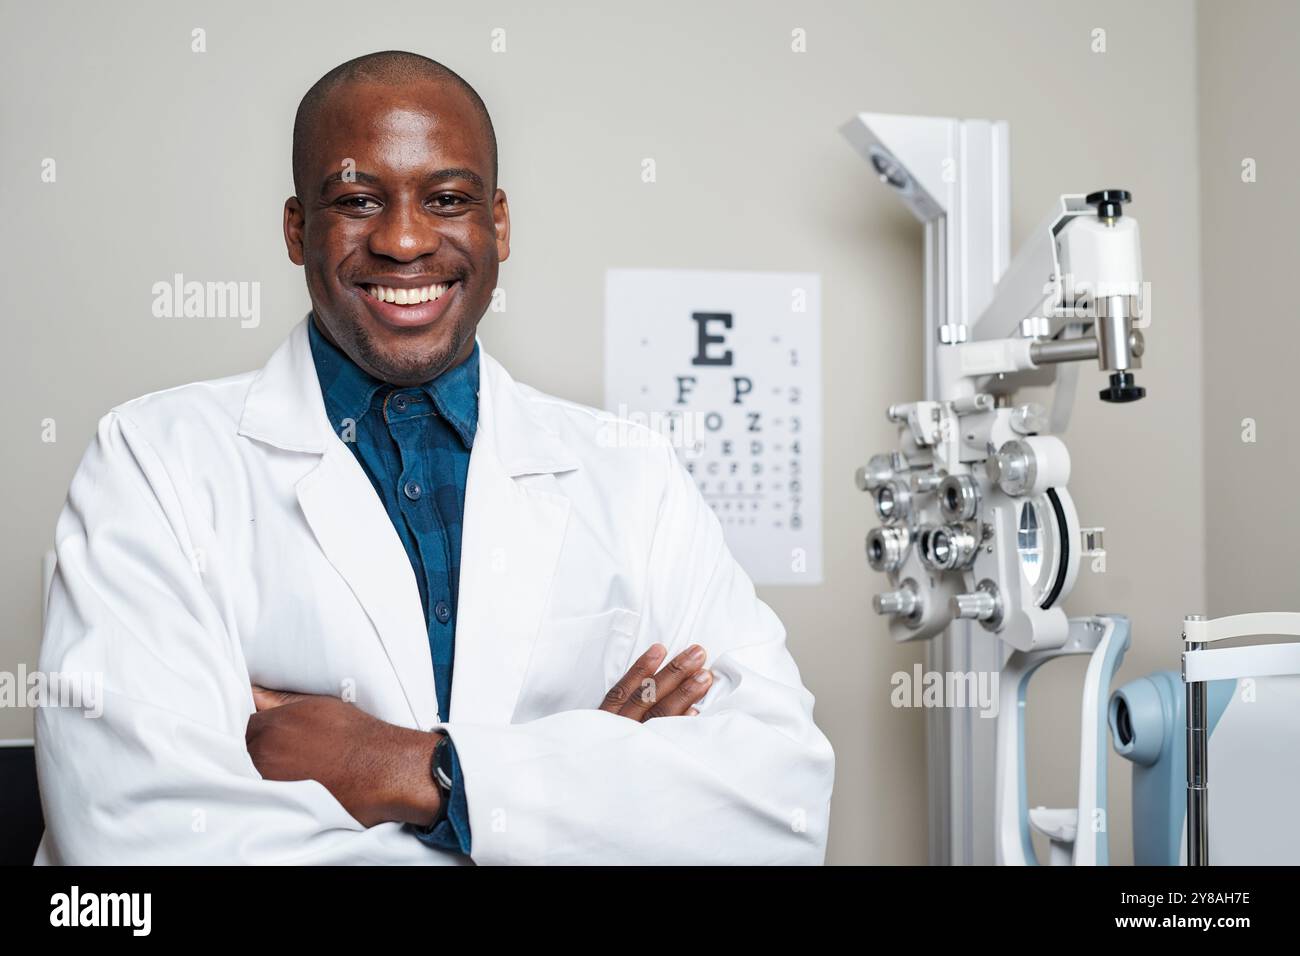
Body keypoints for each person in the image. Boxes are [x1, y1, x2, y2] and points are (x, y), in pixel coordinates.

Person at [34, 50, 834, 865]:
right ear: (297, 229)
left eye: (447, 199)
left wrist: (410, 769)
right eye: (356, 201)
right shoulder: (153, 461)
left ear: (500, 224)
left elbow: (777, 808)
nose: (405, 240)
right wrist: (585, 787)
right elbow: (142, 841)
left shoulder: (634, 472)